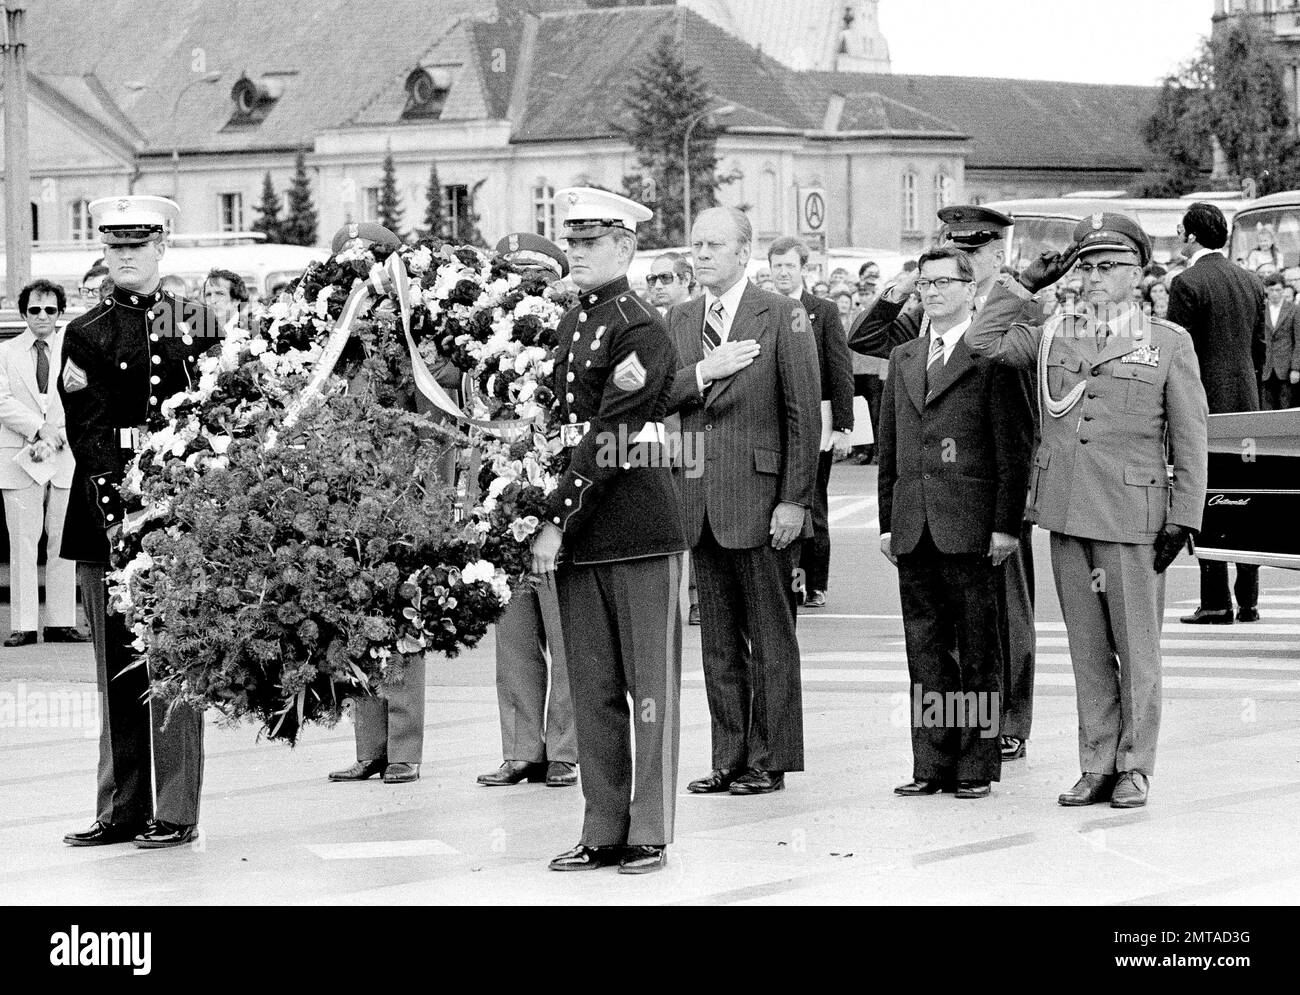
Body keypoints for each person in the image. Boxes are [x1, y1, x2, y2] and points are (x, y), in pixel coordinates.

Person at [967, 213, 1208, 809]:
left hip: (1133, 514)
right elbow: (981, 343)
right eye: (1087, 266)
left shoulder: (1168, 341)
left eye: (1109, 267)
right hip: (1068, 509)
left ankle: (1134, 766)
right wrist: (1025, 283)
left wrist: (1186, 515)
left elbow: (1191, 434)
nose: (1095, 278)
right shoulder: (1055, 332)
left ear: (1138, 273)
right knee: (1087, 648)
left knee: (1137, 647)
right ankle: (1096, 761)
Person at [851, 206, 1039, 762]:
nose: (931, 290)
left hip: (977, 515)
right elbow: (891, 446)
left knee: (985, 643)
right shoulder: (909, 348)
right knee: (928, 649)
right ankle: (933, 759)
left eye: (948, 277)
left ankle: (982, 753)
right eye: (925, 280)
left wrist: (1007, 521)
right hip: (917, 520)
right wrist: (912, 280)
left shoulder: (1003, 331)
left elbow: (1014, 440)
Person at [536, 188, 686, 874]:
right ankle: (602, 824)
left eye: (590, 241)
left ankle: (648, 826)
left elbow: (612, 435)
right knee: (593, 686)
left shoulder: (637, 325)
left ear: (626, 246)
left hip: (632, 525)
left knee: (647, 688)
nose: (576, 251)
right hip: (585, 529)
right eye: (571, 240)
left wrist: (554, 518)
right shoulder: (574, 320)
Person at [59, 195, 212, 849]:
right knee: (119, 665)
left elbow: (219, 412)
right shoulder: (86, 329)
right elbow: (86, 431)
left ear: (162, 245)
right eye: (114, 245)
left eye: (136, 244)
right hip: (107, 512)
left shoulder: (196, 319)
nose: (124, 255)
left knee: (174, 665)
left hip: (178, 508)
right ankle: (123, 805)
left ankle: (175, 806)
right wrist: (118, 511)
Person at [666, 207, 820, 797]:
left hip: (760, 502)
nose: (700, 254)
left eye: (713, 245)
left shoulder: (781, 315)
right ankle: (728, 755)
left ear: (743, 252)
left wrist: (795, 500)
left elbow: (802, 413)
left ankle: (770, 757)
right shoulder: (680, 318)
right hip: (699, 501)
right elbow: (659, 396)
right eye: (696, 244)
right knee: (718, 641)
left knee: (769, 637)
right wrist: (702, 372)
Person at [326, 222, 428, 787]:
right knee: (353, 618)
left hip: (401, 494)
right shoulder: (334, 341)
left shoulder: (407, 334)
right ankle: (370, 746)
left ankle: (405, 748)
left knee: (402, 618)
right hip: (343, 492)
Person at [476, 232, 578, 789]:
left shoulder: (566, 337)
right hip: (500, 502)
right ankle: (521, 748)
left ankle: (565, 747)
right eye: (511, 274)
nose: (518, 287)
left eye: (531, 277)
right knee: (513, 636)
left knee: (565, 635)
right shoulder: (482, 341)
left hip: (555, 499)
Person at [1168, 202, 1266, 626]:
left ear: (1191, 237)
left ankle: (1215, 602)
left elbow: (1177, 353)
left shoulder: (1187, 283)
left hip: (1205, 404)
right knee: (1247, 501)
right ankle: (1248, 600)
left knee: (1209, 500)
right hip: (1247, 402)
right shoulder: (1250, 280)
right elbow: (1259, 349)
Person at [767, 236, 853, 610]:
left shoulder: (823, 310)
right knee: (778, 500)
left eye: (789, 266)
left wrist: (843, 426)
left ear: (803, 269)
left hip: (816, 418)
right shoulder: (763, 308)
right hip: (774, 420)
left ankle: (814, 582)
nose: (783, 273)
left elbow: (840, 369)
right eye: (777, 266)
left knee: (812, 503)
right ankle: (788, 579)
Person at [0, 280, 87, 648]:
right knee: (23, 539)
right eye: (35, 310)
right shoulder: (5, 352)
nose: (42, 317)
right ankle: (23, 623)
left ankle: (61, 621)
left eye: (50, 310)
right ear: (24, 313)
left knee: (63, 539)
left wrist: (59, 432)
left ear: (60, 313)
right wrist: (40, 429)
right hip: (19, 455)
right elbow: (2, 402)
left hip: (65, 451)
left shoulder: (75, 350)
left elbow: (83, 396)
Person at [1260, 272, 1299, 410]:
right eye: (1271, 290)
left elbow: (1298, 341)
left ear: (1283, 290)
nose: (1275, 294)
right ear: (1266, 290)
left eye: (1278, 290)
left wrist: (1296, 368)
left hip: (1286, 367)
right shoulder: (1261, 310)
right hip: (1266, 366)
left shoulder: (1294, 310)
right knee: (1266, 408)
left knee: (1286, 407)